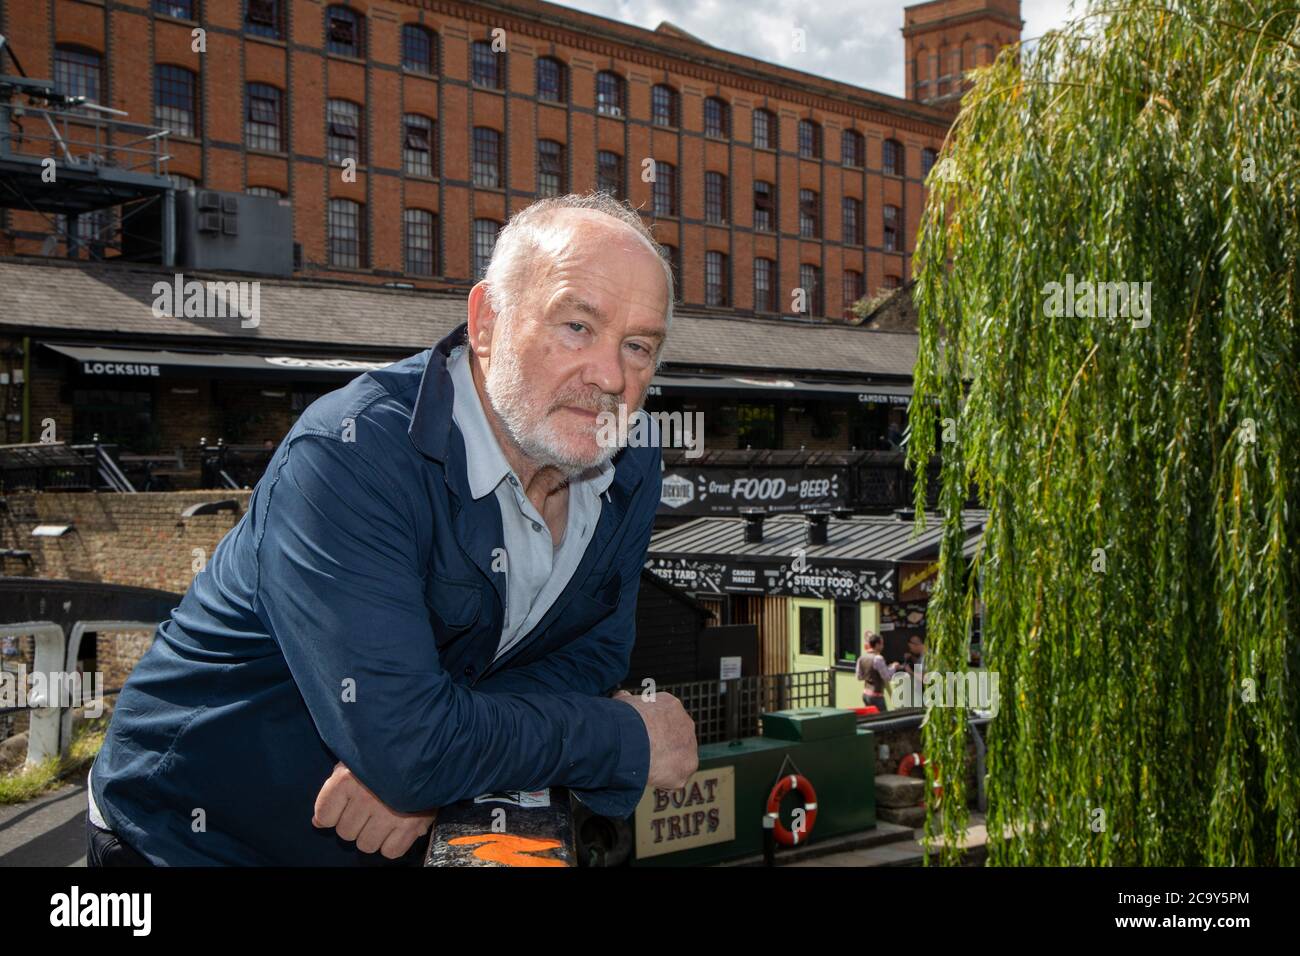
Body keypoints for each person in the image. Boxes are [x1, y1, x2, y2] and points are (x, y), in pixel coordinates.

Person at [85, 193, 699, 866]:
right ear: (487, 322)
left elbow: (590, 659)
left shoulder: (629, 464)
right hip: (184, 838)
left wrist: (435, 757)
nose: (611, 377)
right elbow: (412, 742)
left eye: (638, 346)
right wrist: (626, 739)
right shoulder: (350, 453)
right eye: (577, 327)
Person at [855, 632, 898, 711]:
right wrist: (894, 667)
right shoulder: (878, 658)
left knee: (871, 717)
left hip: (865, 694)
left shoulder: (861, 658)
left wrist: (870, 674)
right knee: (883, 719)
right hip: (876, 696)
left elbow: (859, 677)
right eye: (882, 644)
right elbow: (887, 677)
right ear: (877, 645)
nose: (883, 646)